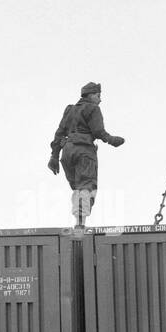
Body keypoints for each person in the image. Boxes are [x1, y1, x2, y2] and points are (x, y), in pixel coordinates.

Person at [48, 81, 125, 226]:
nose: (100, 99)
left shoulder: (69, 110)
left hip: (67, 152)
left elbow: (59, 134)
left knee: (77, 186)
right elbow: (98, 131)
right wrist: (111, 140)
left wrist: (54, 156)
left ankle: (79, 218)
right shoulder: (93, 108)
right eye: (98, 95)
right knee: (86, 185)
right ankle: (81, 221)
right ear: (90, 95)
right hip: (84, 151)